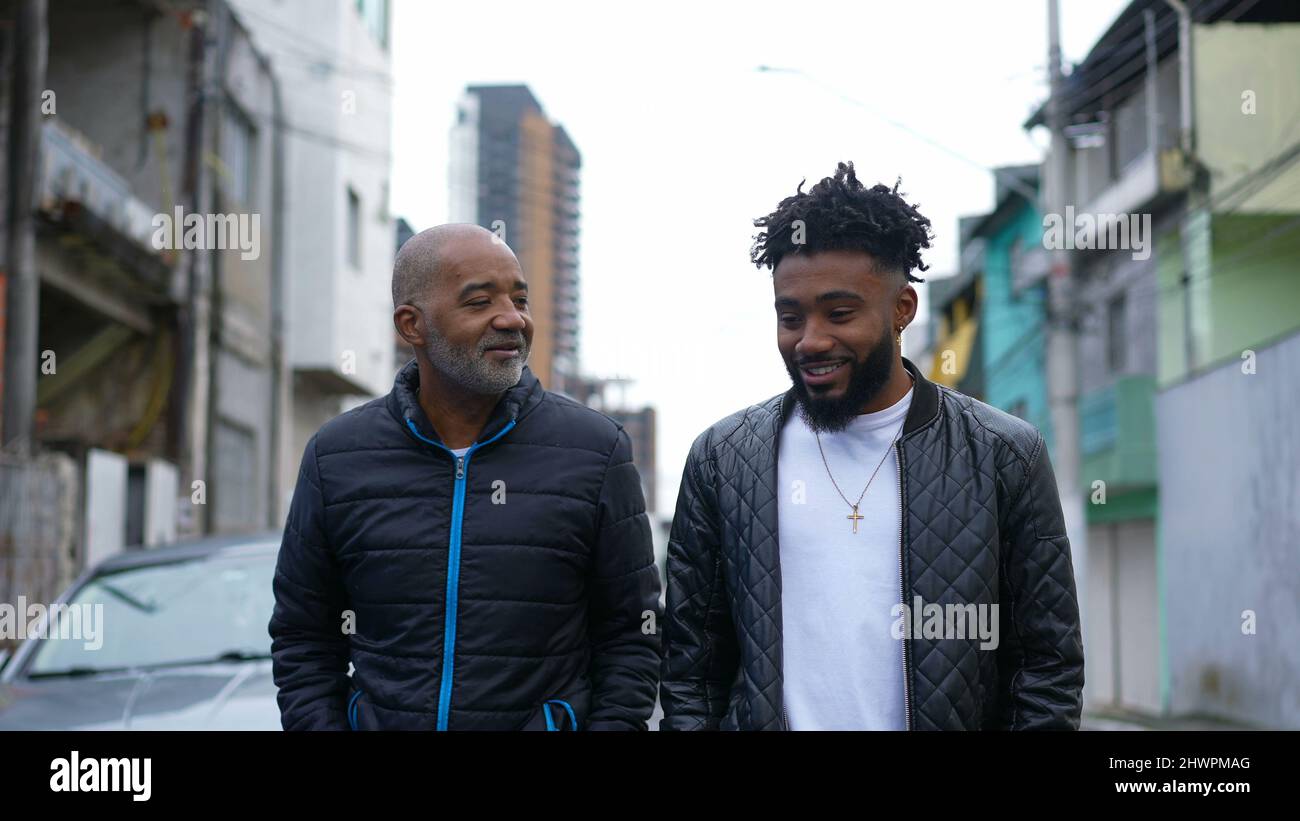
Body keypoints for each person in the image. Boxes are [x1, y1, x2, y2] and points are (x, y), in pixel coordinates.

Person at [659, 163, 1084, 730]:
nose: (810, 341)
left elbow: (1046, 666)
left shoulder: (1003, 454)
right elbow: (691, 667)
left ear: (902, 309)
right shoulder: (724, 460)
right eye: (791, 318)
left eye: (839, 314)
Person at [270, 223, 661, 730]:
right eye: (480, 302)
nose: (512, 318)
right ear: (412, 325)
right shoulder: (337, 456)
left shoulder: (595, 450)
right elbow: (304, 636)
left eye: (520, 299)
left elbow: (632, 636)